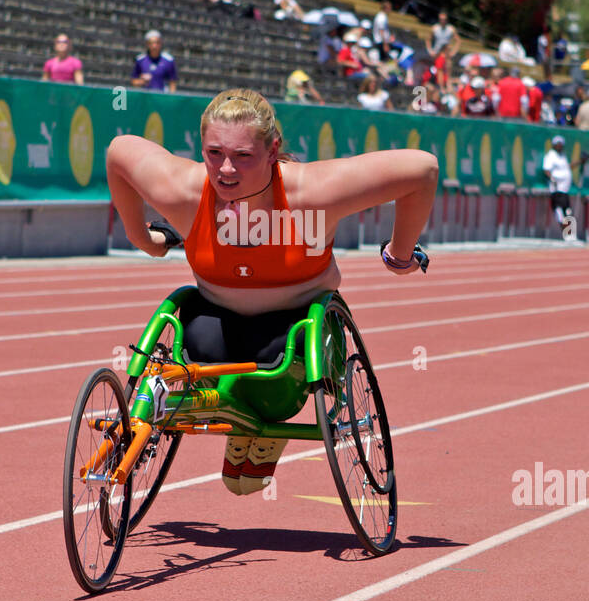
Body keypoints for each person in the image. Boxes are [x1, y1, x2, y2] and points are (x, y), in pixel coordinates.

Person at [105, 88, 437, 494]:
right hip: (216, 324)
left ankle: (266, 423)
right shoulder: (184, 191)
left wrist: (400, 255)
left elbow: (422, 169)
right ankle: (243, 419)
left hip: (295, 328)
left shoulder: (311, 194)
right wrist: (142, 238)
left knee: (275, 364)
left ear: (273, 149)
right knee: (194, 344)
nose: (226, 170)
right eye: (214, 153)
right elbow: (118, 150)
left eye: (243, 156)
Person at [542, 136, 576, 242]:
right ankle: (567, 233)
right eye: (557, 144)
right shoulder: (551, 156)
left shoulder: (562, 156)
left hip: (565, 189)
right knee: (559, 211)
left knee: (568, 210)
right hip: (557, 189)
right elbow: (546, 169)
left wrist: (579, 162)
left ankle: (570, 234)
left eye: (561, 144)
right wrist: (552, 179)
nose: (559, 146)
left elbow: (566, 168)